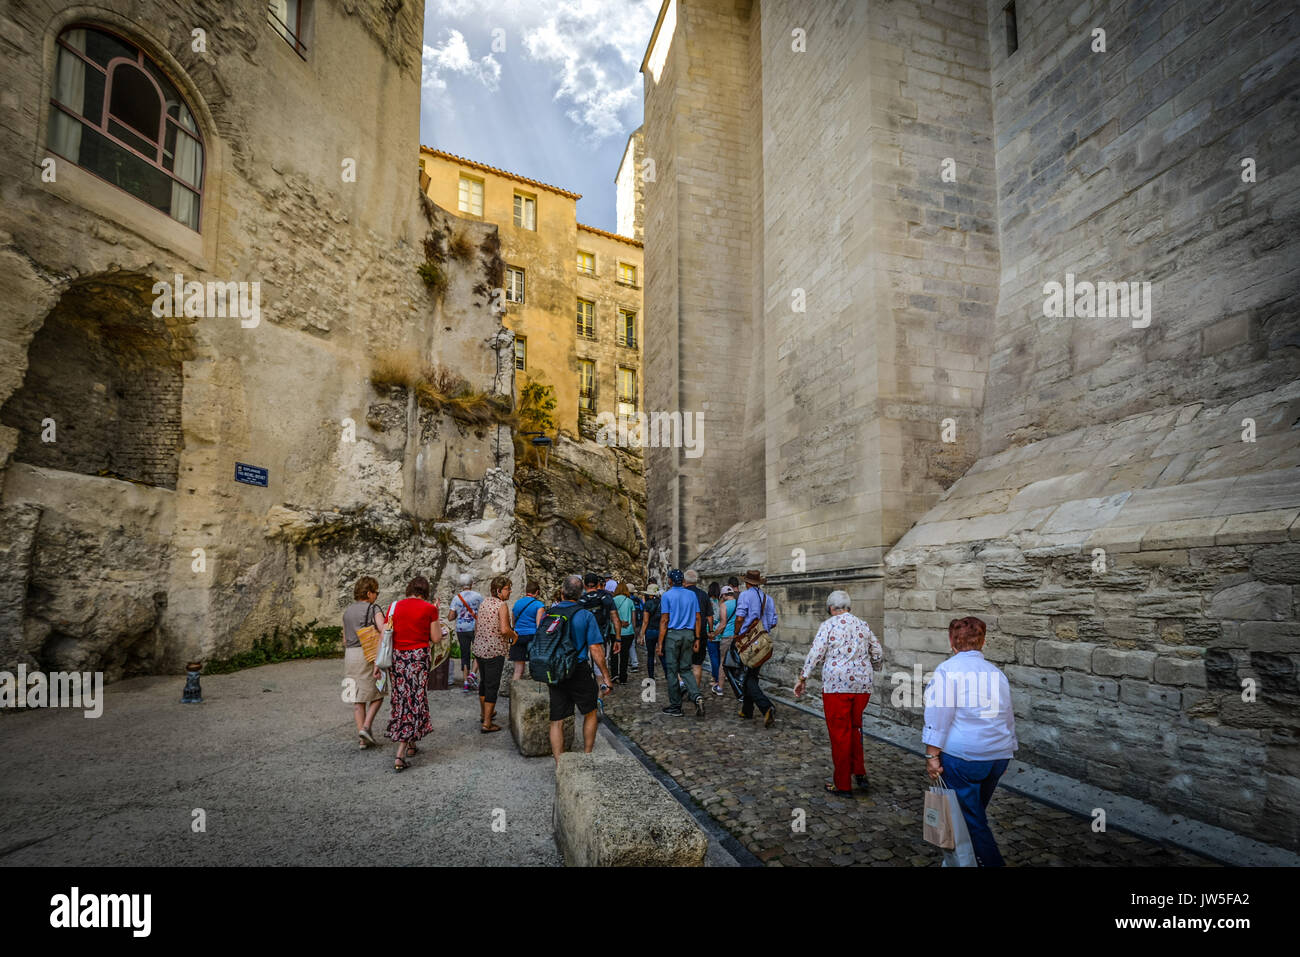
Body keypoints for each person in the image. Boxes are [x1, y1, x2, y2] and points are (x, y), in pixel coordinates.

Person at [924, 616, 1018, 867]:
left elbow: (939, 715)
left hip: (964, 758)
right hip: (996, 757)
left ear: (952, 641)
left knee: (973, 822)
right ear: (983, 641)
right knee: (973, 816)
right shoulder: (996, 674)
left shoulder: (947, 670)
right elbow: (1007, 715)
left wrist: (932, 756)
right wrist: (1008, 750)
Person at [795, 590, 883, 797]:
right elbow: (877, 652)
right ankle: (859, 771)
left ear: (831, 608)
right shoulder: (863, 625)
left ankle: (843, 783)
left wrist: (802, 678)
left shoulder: (829, 625)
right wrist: (873, 668)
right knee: (855, 728)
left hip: (837, 686)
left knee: (840, 733)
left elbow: (816, 652)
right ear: (848, 608)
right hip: (862, 685)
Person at [546, 574, 613, 761]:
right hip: (578, 669)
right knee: (590, 711)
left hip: (556, 670)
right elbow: (596, 650)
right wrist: (606, 677)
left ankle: (559, 763)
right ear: (581, 593)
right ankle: (587, 756)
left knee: (556, 719)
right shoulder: (585, 615)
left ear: (562, 592)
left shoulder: (549, 614)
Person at [384, 576, 438, 771]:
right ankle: (400, 754)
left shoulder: (394, 606)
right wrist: (435, 613)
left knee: (401, 698)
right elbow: (436, 637)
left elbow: (385, 634)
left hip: (397, 659)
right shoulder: (429, 609)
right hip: (417, 659)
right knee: (415, 699)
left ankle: (412, 743)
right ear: (425, 591)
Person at [341, 576, 388, 748]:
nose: (376, 596)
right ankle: (366, 727)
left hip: (350, 655)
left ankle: (362, 739)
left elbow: (345, 640)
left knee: (357, 698)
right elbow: (383, 629)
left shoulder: (347, 612)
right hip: (368, 655)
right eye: (376, 592)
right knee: (379, 693)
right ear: (368, 593)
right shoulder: (373, 608)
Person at [732, 569, 778, 727]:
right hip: (764, 643)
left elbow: (739, 618)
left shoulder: (745, 595)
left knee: (748, 677)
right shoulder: (768, 599)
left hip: (748, 643)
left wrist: (737, 632)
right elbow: (773, 622)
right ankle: (747, 710)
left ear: (747, 583)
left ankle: (766, 706)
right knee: (752, 674)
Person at [472, 576, 516, 733]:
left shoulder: (484, 602)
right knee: (492, 686)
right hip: (494, 651)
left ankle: (484, 713)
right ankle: (487, 723)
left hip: (480, 649)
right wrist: (514, 635)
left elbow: (477, 626)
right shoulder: (501, 605)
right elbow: (505, 630)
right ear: (499, 590)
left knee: (484, 682)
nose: (510, 591)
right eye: (507, 588)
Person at [658, 569, 704, 717]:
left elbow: (664, 620)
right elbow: (698, 618)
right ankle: (696, 696)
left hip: (673, 635)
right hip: (689, 634)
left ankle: (676, 706)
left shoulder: (667, 596)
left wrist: (660, 643)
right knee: (685, 669)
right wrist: (697, 638)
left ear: (670, 581)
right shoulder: (691, 595)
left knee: (672, 671)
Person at [580, 572, 620, 687]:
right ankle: (600, 696)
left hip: (585, 640)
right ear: (598, 584)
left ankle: (589, 692)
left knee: (586, 666)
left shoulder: (580, 601)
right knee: (601, 667)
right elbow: (615, 619)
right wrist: (618, 639)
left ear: (585, 584)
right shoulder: (606, 598)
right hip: (602, 637)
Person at [450, 574, 484, 693]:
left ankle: (465, 683)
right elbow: (483, 612)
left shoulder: (456, 598)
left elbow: (450, 617)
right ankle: (473, 674)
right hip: (475, 628)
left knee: (465, 655)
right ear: (471, 583)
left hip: (461, 629)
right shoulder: (478, 597)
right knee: (480, 651)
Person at [510, 581, 546, 682]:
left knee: (517, 670)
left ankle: (514, 692)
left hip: (518, 636)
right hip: (532, 637)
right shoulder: (539, 605)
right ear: (537, 592)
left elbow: (513, 622)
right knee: (535, 666)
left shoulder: (517, 603)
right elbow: (539, 624)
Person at [684, 570, 713, 694]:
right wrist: (710, 631)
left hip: (685, 632)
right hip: (700, 634)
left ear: (685, 581)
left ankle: (682, 689)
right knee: (697, 664)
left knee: (683, 665)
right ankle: (695, 692)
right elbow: (710, 616)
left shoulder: (682, 594)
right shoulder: (703, 595)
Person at [709, 583, 737, 697]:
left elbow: (722, 624)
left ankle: (720, 687)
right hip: (737, 636)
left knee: (723, 663)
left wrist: (714, 634)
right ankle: (740, 687)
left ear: (724, 595)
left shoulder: (724, 605)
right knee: (737, 662)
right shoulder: (739, 603)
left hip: (726, 636)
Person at [610, 583, 637, 685]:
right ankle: (623, 678)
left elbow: (610, 616)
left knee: (614, 653)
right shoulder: (630, 601)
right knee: (625, 655)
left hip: (614, 631)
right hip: (628, 632)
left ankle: (614, 674)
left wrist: (618, 623)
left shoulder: (613, 601)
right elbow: (633, 619)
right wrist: (633, 629)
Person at [639, 583, 663, 680]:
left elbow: (645, 621)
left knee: (650, 654)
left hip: (650, 631)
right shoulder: (662, 603)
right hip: (661, 630)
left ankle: (651, 676)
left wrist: (641, 635)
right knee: (662, 653)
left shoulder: (647, 604)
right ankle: (667, 672)